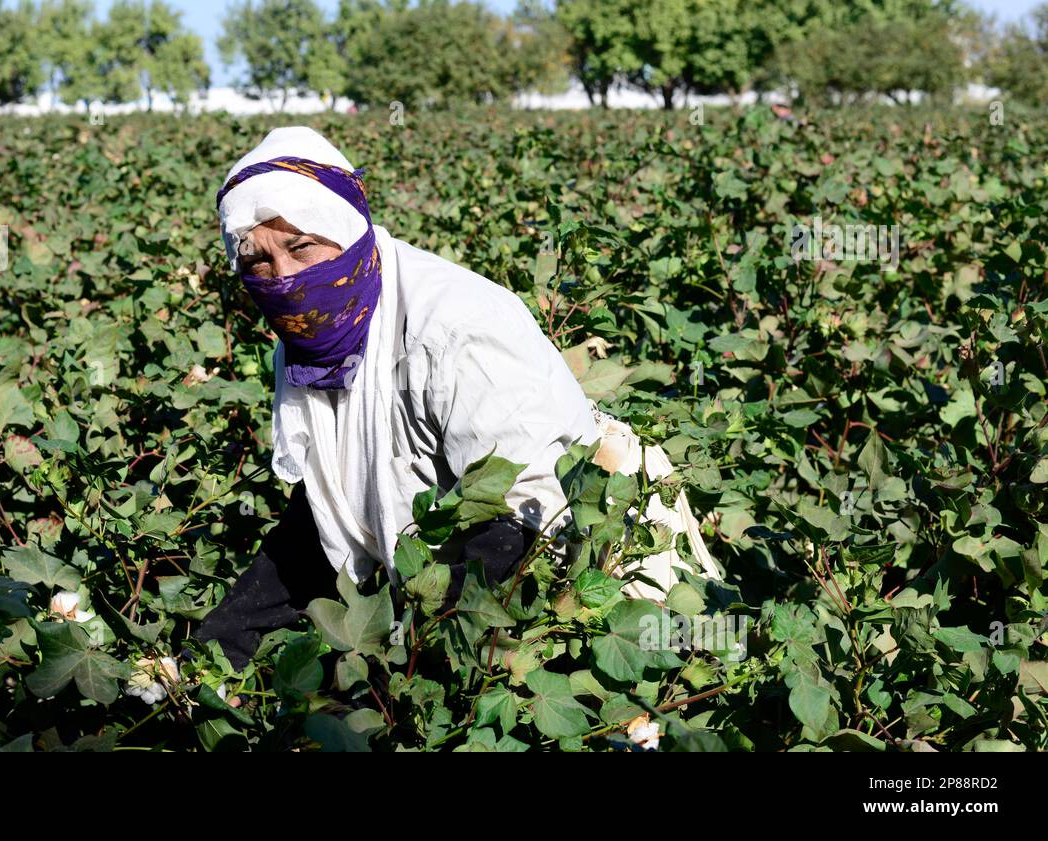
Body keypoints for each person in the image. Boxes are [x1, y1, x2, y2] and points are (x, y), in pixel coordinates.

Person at [193, 126, 718, 671]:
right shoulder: (306, 345)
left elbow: (527, 521)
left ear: (347, 231)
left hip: (577, 587)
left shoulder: (454, 326)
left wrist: (411, 656)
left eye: (301, 246)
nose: (284, 277)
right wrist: (211, 653)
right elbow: (323, 515)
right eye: (257, 262)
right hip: (447, 593)